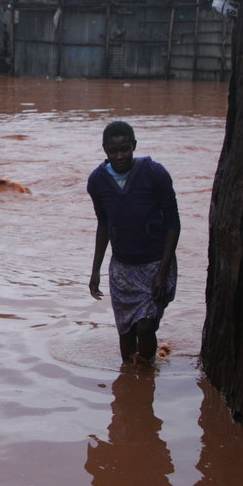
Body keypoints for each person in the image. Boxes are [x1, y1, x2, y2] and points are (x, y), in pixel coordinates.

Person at [87, 121, 180, 366]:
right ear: (104, 150)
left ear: (134, 146)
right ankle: (130, 382)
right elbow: (104, 225)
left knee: (146, 326)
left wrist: (162, 273)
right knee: (126, 333)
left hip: (155, 263)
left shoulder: (155, 174)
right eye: (113, 151)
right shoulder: (97, 181)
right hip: (122, 267)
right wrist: (95, 270)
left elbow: (173, 224)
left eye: (125, 149)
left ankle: (148, 377)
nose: (119, 156)